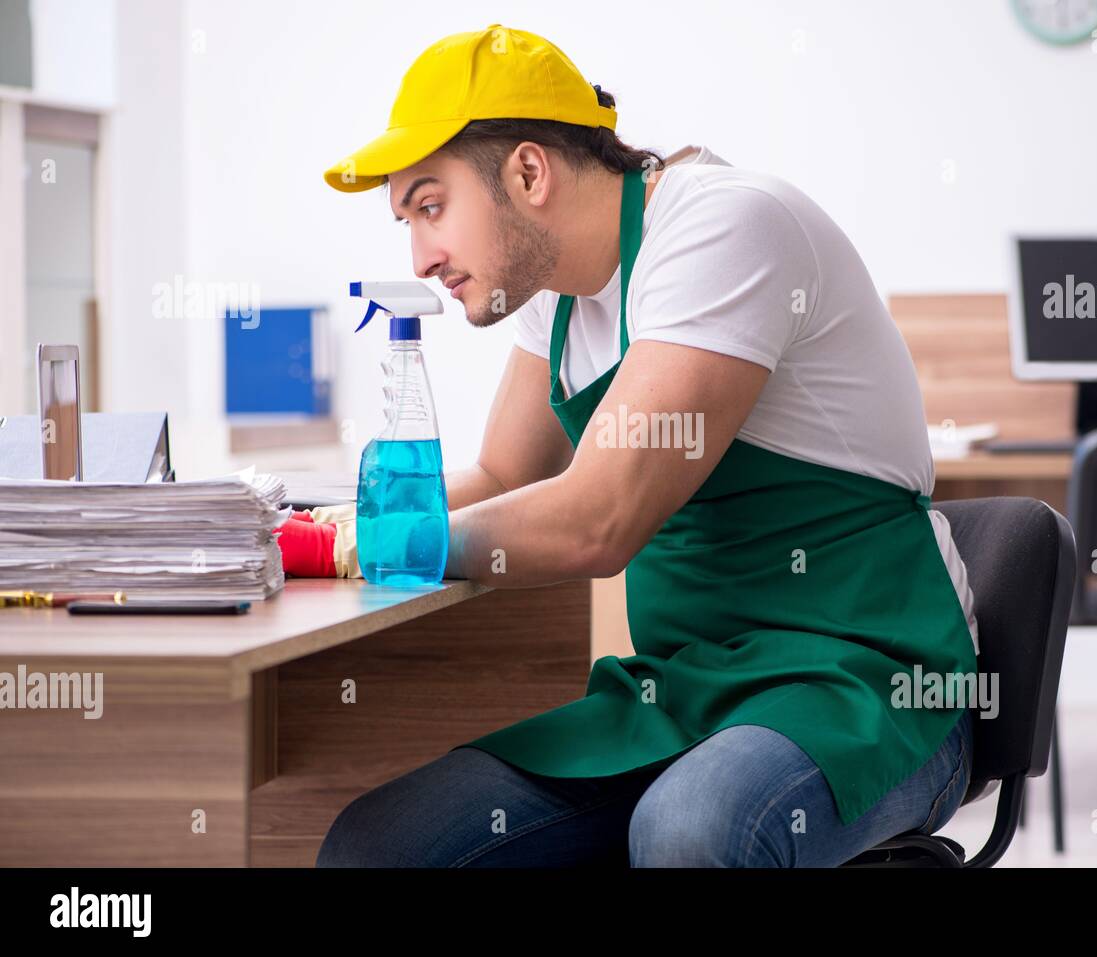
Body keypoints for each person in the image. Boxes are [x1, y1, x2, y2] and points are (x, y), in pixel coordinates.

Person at [315, 23, 980, 867]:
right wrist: (331, 525)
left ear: (528, 171)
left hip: (871, 682)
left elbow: (600, 519)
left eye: (432, 206)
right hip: (689, 685)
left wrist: (395, 542)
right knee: (378, 847)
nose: (421, 256)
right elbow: (503, 475)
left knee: (691, 828)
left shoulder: (723, 228)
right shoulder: (552, 295)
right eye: (406, 219)